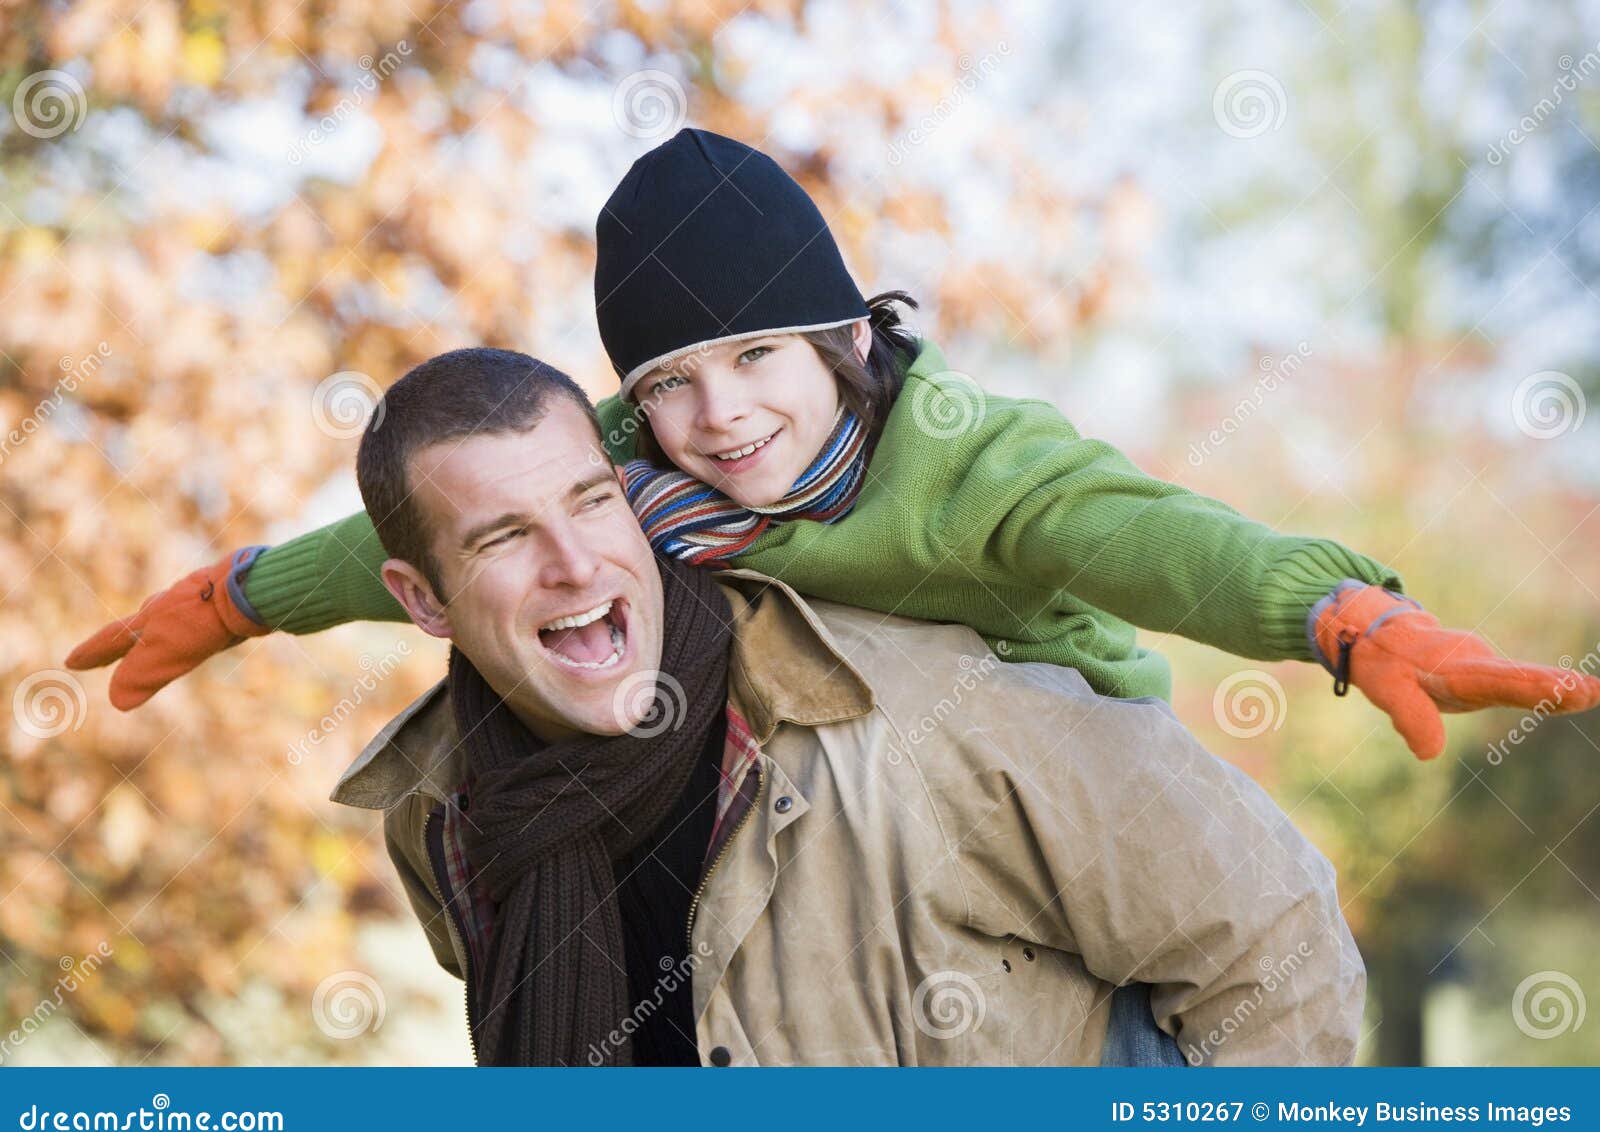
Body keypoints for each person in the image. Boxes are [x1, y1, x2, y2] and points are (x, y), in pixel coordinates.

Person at [65, 128, 1600, 762]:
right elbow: (432, 531)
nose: (720, 415)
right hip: (852, 746)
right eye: (671, 379)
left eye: (756, 357)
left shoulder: (967, 464)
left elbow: (1151, 535)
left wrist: (1342, 615)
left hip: (1067, 745)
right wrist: (235, 597)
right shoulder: (632, 464)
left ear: (847, 338)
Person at [330, 346, 1364, 1066]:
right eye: (502, 537)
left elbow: (1271, 931)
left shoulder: (911, 710)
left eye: (593, 501)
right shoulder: (445, 817)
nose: (574, 562)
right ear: (422, 598)